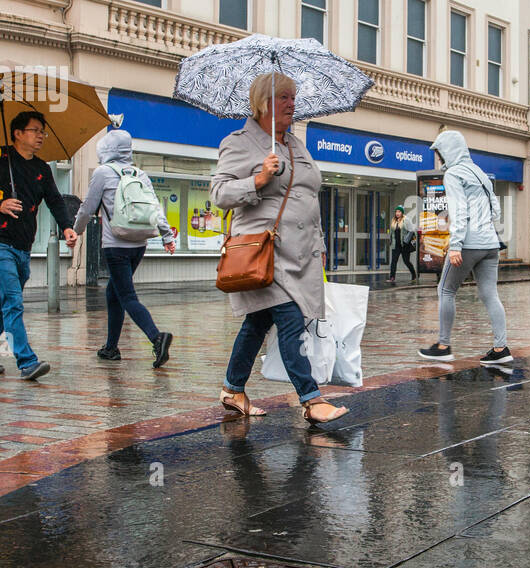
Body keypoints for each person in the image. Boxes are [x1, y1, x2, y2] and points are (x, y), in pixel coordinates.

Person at [210, 73, 347, 424]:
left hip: (302, 254)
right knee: (289, 318)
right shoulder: (239, 142)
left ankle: (232, 388)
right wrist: (257, 179)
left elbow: (309, 198)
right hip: (265, 252)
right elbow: (219, 195)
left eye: (293, 97)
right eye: (284, 97)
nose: (292, 103)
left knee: (258, 323)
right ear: (263, 102)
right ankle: (311, 399)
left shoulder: (294, 144)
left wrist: (321, 246)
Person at [0, 111, 77, 380]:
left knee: (3, 301)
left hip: (23, 246)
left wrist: (67, 226)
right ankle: (27, 362)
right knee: (13, 301)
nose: (41, 137)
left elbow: (55, 200)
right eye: (35, 130)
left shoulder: (42, 169)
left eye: (43, 132)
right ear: (18, 133)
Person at [71, 129, 176, 366]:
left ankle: (157, 337)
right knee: (114, 293)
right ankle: (111, 348)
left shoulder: (102, 172)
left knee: (127, 296)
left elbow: (88, 207)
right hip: (139, 244)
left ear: (105, 149)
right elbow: (156, 208)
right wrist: (167, 236)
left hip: (116, 244)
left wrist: (75, 231)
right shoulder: (140, 174)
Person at [418, 130, 512, 365]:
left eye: (439, 153)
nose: (439, 159)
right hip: (491, 243)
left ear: (448, 151)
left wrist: (456, 245)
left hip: (469, 244)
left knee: (446, 290)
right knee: (490, 294)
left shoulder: (453, 174)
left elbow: (460, 212)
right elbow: (496, 210)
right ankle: (501, 349)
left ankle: (443, 345)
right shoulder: (479, 173)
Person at [386, 205, 417, 284]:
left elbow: (411, 231)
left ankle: (413, 274)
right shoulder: (393, 221)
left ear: (402, 212)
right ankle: (392, 277)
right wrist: (390, 240)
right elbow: (392, 232)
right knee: (393, 261)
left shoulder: (406, 220)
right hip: (395, 245)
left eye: (399, 211)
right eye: (396, 211)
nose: (397, 213)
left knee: (406, 261)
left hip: (404, 245)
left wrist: (405, 241)